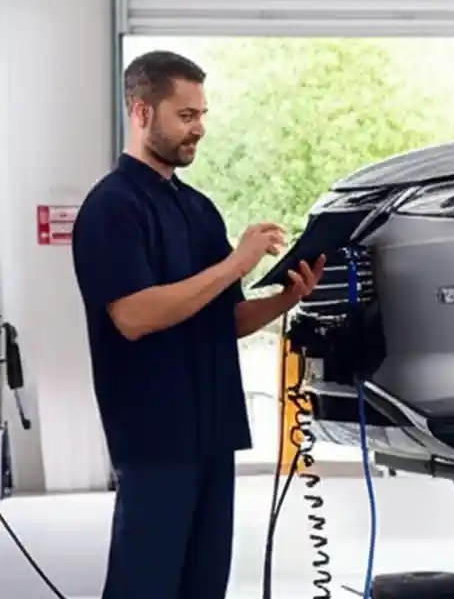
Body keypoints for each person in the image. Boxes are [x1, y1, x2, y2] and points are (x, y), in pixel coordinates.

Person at [71, 50, 325, 599]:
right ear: (141, 112)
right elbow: (134, 316)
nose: (199, 129)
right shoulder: (111, 208)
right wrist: (237, 262)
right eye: (185, 116)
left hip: (212, 428)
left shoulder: (200, 210)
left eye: (202, 114)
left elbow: (225, 319)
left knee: (205, 585)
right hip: (154, 434)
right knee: (147, 584)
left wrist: (287, 297)